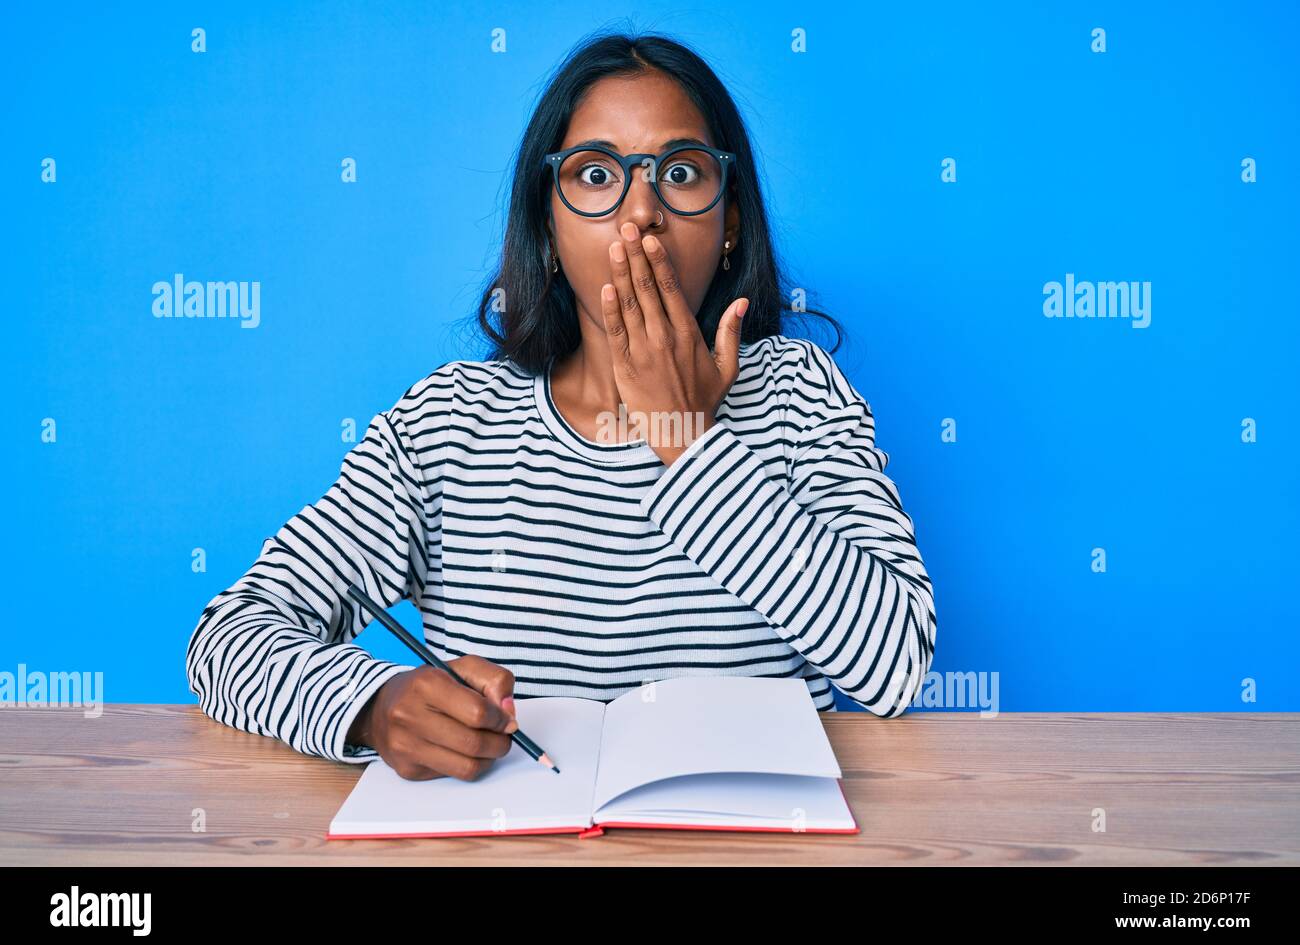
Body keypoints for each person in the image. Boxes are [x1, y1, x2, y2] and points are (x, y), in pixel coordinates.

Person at [185, 31, 937, 783]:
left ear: (730, 217)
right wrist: (374, 706)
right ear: (547, 224)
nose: (641, 213)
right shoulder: (448, 424)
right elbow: (230, 637)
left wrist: (689, 442)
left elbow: (897, 665)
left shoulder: (797, 394)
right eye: (596, 174)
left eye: (680, 172)